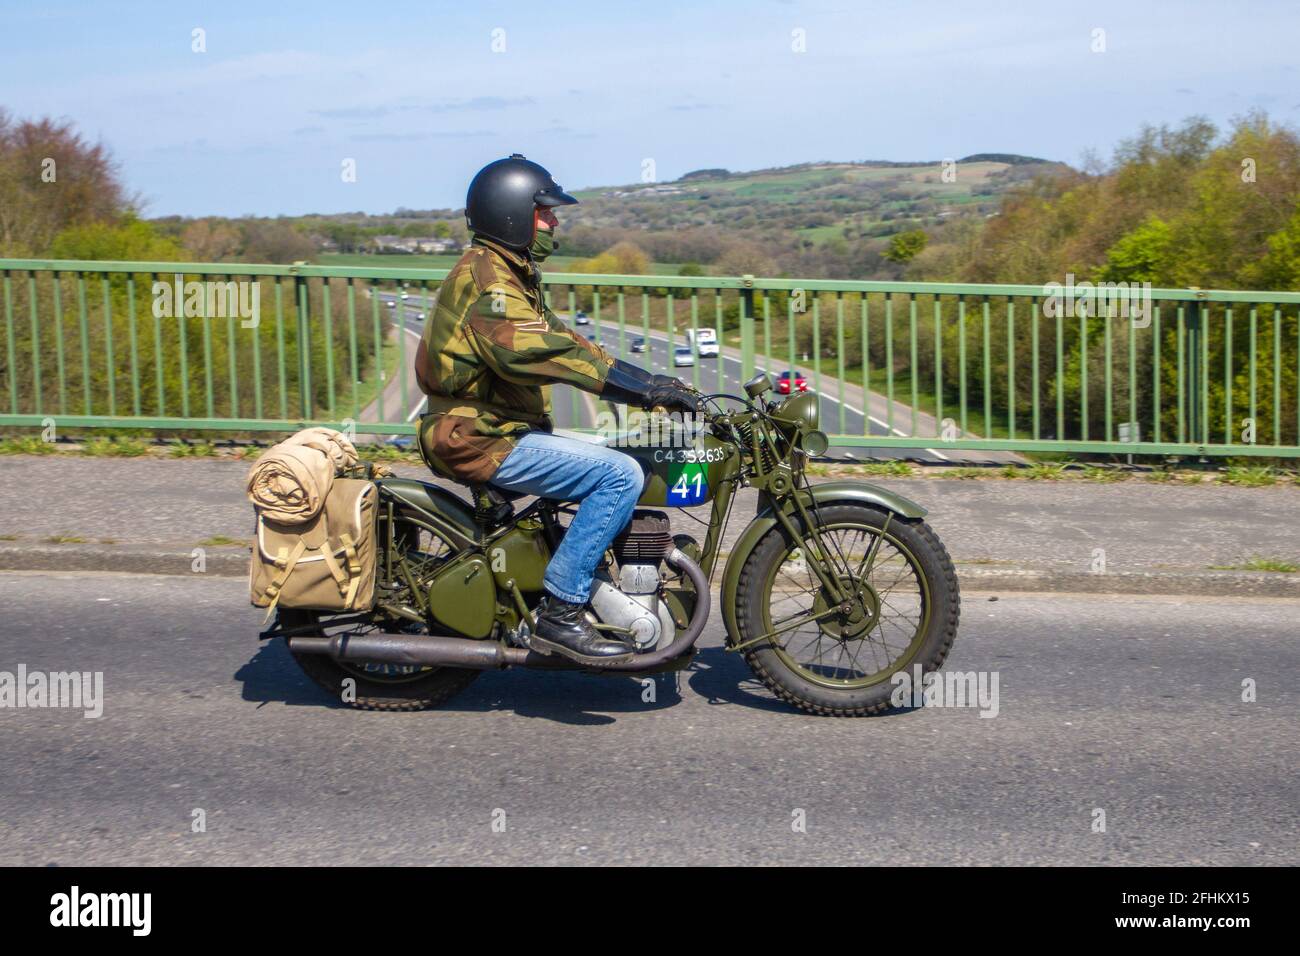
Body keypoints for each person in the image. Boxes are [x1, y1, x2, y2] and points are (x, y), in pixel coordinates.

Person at [414, 154, 699, 665]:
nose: (555, 221)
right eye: (545, 212)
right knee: (619, 476)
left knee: (611, 454)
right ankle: (561, 611)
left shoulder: (508, 272)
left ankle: (584, 585)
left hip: (496, 430)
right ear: (513, 214)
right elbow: (541, 350)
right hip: (478, 437)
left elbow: (569, 343)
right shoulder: (490, 284)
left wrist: (652, 383)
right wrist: (643, 393)